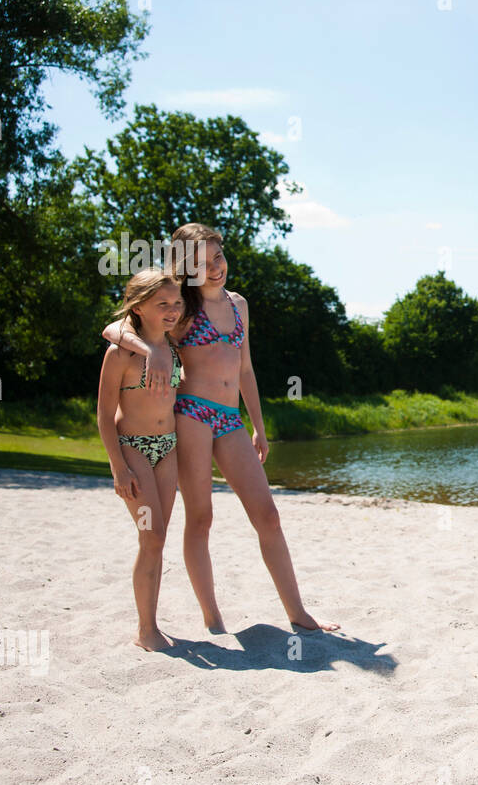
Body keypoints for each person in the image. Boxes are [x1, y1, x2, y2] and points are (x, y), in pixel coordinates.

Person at [102, 223, 337, 634]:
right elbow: (117, 329)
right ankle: (213, 618)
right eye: (202, 263)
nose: (214, 268)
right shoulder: (180, 307)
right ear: (185, 268)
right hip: (190, 415)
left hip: (230, 420)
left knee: (268, 514)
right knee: (201, 518)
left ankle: (298, 613)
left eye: (218, 258)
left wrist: (259, 426)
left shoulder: (239, 304)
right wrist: (147, 351)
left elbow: (245, 368)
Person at [96, 267, 185, 651]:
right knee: (150, 537)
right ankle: (145, 631)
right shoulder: (120, 353)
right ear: (139, 307)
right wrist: (118, 466)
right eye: (162, 303)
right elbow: (103, 413)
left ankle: (152, 623)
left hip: (168, 448)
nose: (172, 309)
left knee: (158, 538)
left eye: (177, 302)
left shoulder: (175, 343)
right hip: (133, 448)